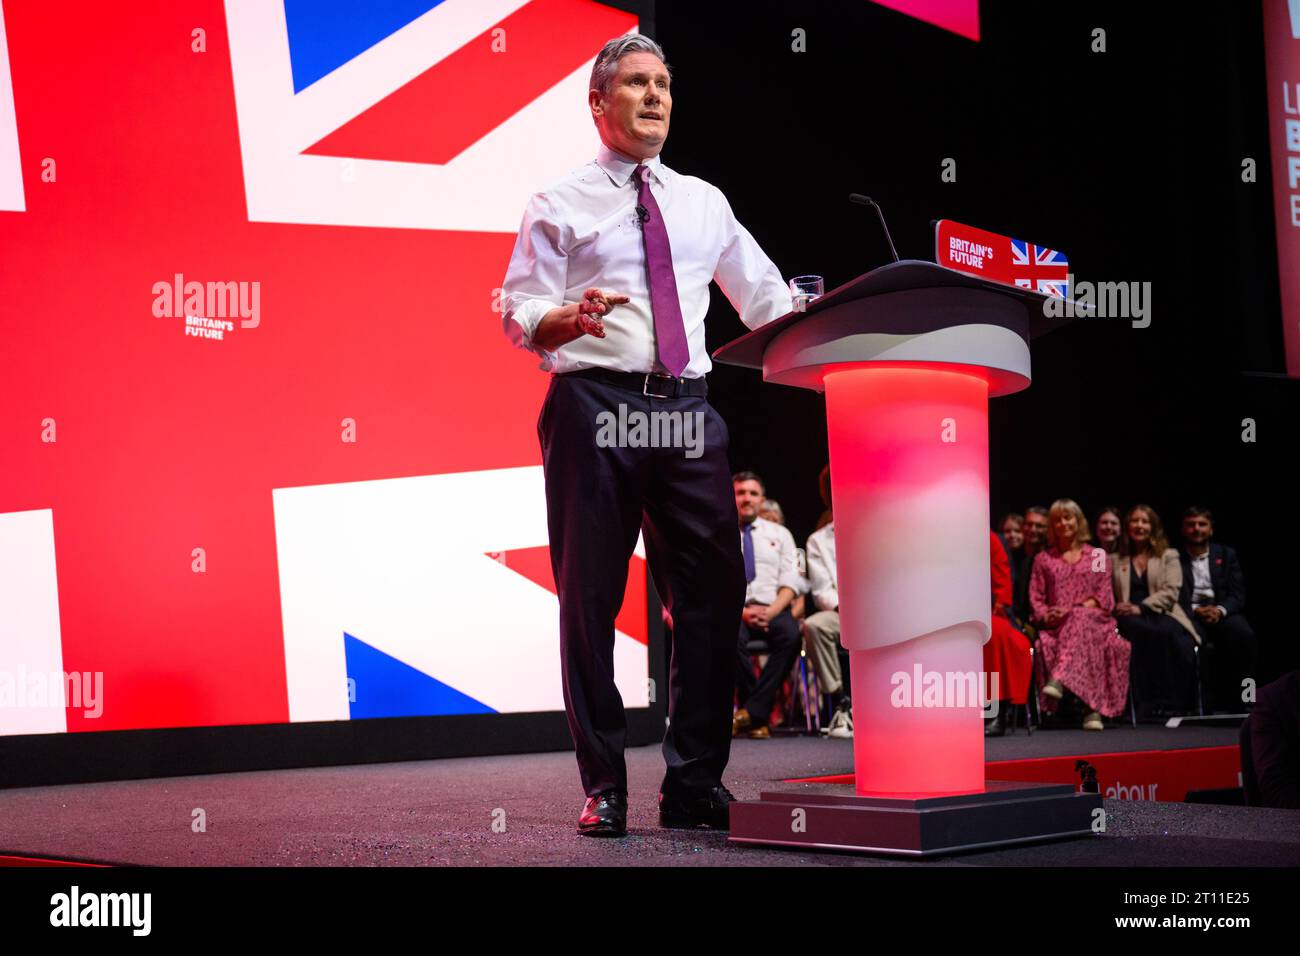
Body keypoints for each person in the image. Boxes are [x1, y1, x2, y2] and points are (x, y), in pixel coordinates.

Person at [500, 34, 793, 836]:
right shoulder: (559, 201)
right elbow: (518, 308)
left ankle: (694, 781)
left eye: (664, 82)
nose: (656, 95)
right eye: (636, 83)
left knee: (712, 598)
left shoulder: (704, 200)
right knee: (590, 599)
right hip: (594, 404)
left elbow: (767, 299)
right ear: (600, 103)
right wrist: (560, 318)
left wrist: (841, 327)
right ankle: (605, 785)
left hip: (688, 411)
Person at [1031, 499, 1130, 730]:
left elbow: (1103, 595)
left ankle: (1059, 677)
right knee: (1081, 629)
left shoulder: (1095, 556)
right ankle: (1091, 710)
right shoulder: (1044, 559)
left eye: (1068, 517)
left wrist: (1073, 609)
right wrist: (1046, 615)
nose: (1063, 523)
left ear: (1078, 521)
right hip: (1058, 628)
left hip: (1096, 620)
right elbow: (1036, 598)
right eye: (1057, 520)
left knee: (1081, 618)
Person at [732, 472, 805, 739]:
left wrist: (771, 611)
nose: (746, 499)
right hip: (736, 612)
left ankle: (748, 713)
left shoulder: (780, 534)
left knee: (792, 635)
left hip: (773, 608)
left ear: (761, 499)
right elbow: (715, 582)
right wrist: (743, 613)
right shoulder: (719, 532)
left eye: (752, 493)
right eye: (740, 493)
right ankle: (757, 715)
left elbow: (790, 580)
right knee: (726, 638)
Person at [1111, 504, 1199, 718]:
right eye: (1135, 521)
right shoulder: (1112, 558)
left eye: (1144, 521)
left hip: (1163, 611)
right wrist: (1117, 607)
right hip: (1127, 616)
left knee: (1170, 635)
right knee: (1137, 630)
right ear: (1127, 526)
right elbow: (1098, 586)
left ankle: (1172, 700)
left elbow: (1171, 591)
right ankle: (1145, 702)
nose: (1139, 526)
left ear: (1153, 527)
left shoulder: (1169, 555)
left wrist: (1141, 607)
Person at [1178, 506, 1257, 713]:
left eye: (1202, 524)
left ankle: (1246, 697)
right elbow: (1174, 595)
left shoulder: (1226, 554)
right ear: (1183, 529)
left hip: (1222, 612)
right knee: (1184, 642)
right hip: (1191, 613)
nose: (1197, 529)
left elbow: (1238, 594)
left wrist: (1219, 610)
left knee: (1245, 636)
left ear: (1211, 529)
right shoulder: (1175, 558)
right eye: (1191, 525)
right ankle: (1196, 705)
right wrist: (1196, 611)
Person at [804, 516, 852, 738]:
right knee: (815, 625)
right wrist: (848, 609)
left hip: (884, 610)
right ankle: (841, 703)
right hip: (844, 612)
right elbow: (822, 590)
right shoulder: (818, 540)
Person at [983, 530, 1033, 736]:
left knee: (993, 632)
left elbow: (1001, 585)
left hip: (984, 611)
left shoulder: (988, 539)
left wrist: (996, 605)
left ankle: (995, 711)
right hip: (942, 611)